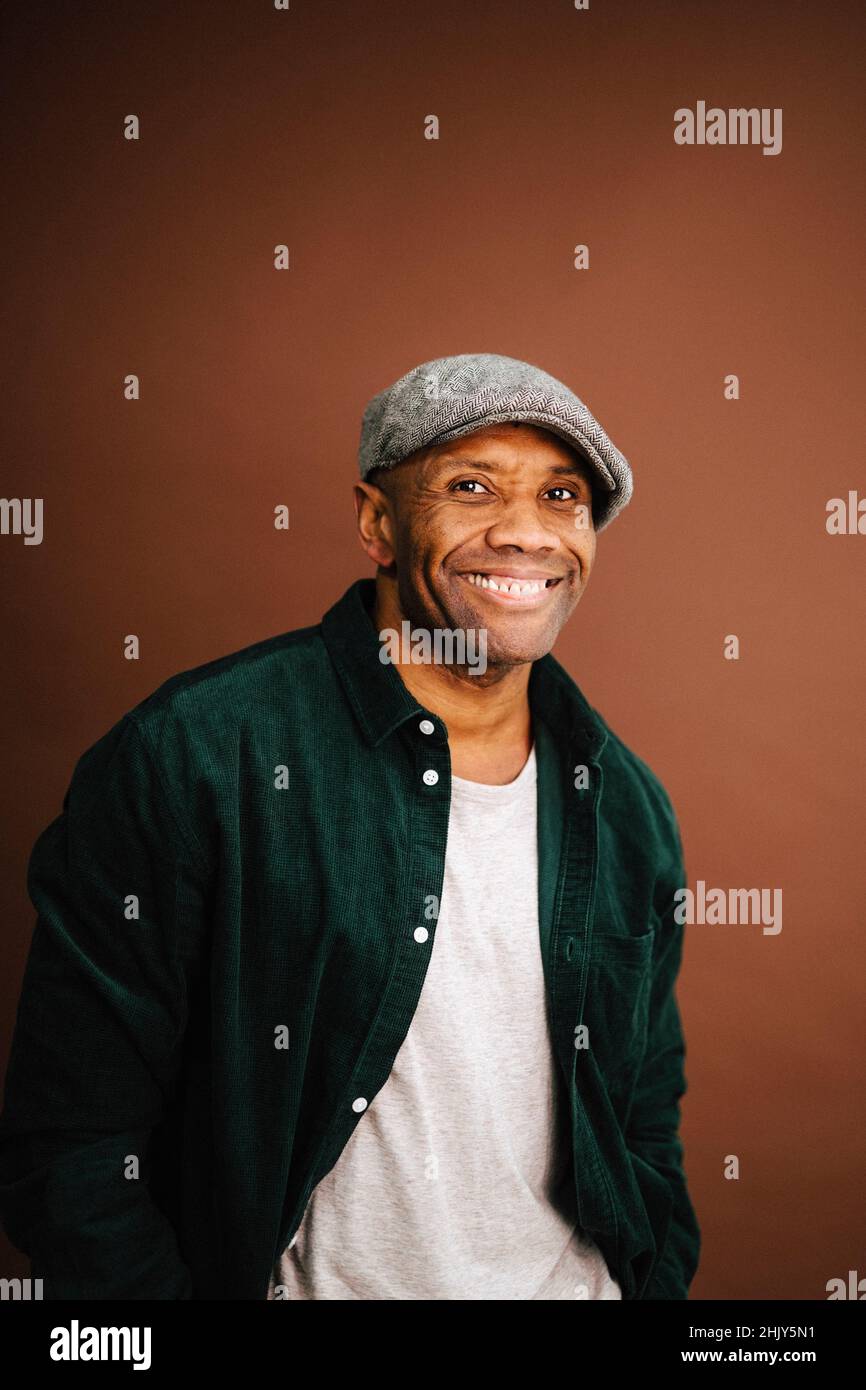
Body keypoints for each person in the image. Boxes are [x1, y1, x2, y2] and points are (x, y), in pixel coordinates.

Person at [0, 352, 700, 1300]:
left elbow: (643, 1121)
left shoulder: (625, 810)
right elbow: (73, 1143)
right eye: (471, 486)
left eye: (563, 496)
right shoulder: (199, 755)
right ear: (378, 522)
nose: (526, 533)